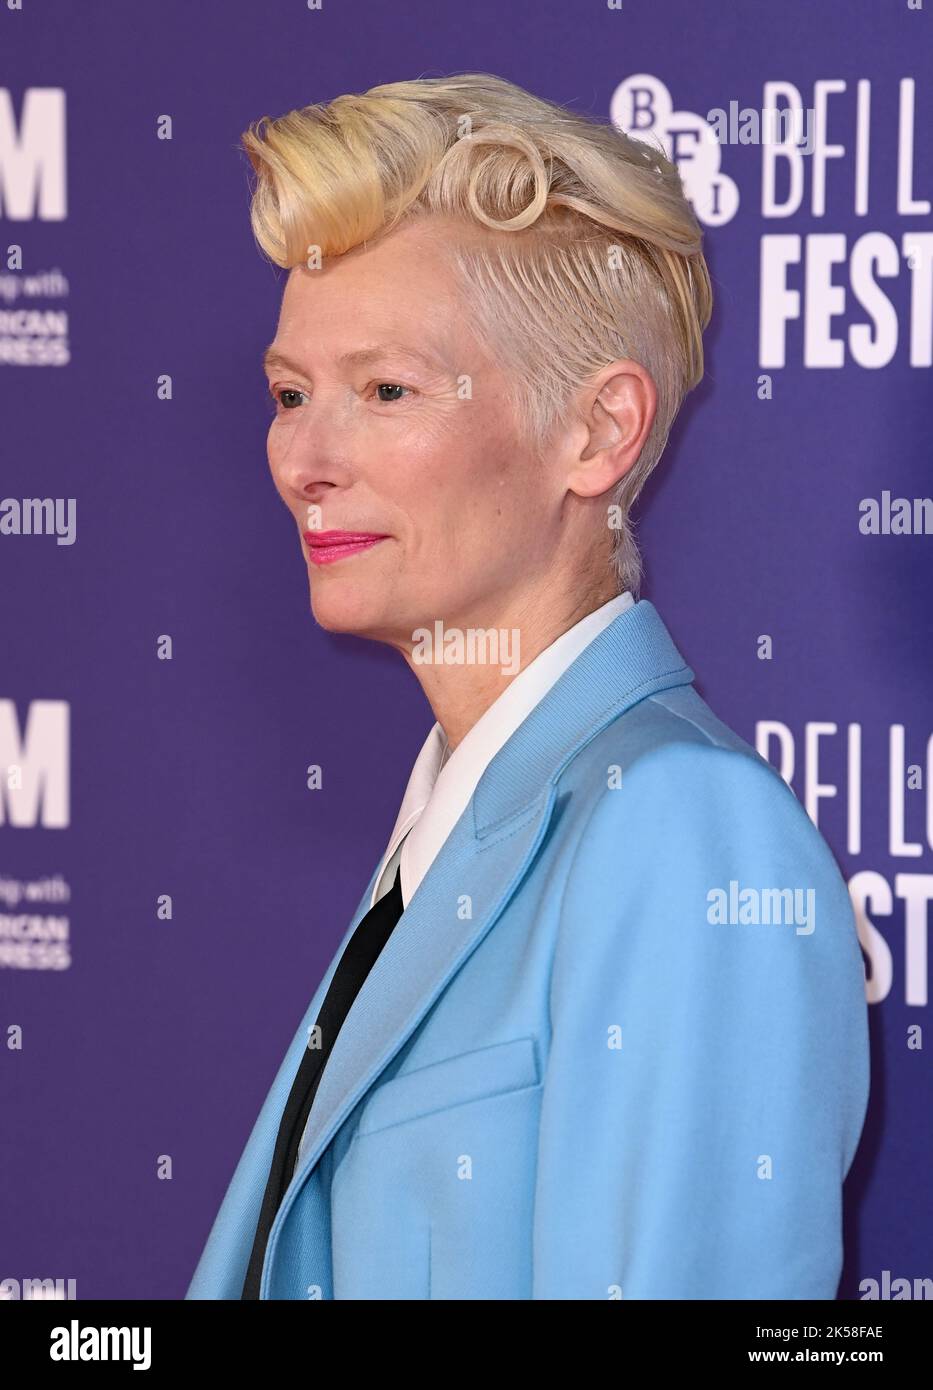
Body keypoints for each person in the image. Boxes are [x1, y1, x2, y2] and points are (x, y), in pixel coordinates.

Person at [186, 73, 869, 1300]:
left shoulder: (681, 833)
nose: (305, 461)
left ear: (598, 433)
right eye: (291, 395)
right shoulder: (459, 820)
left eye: (385, 390)